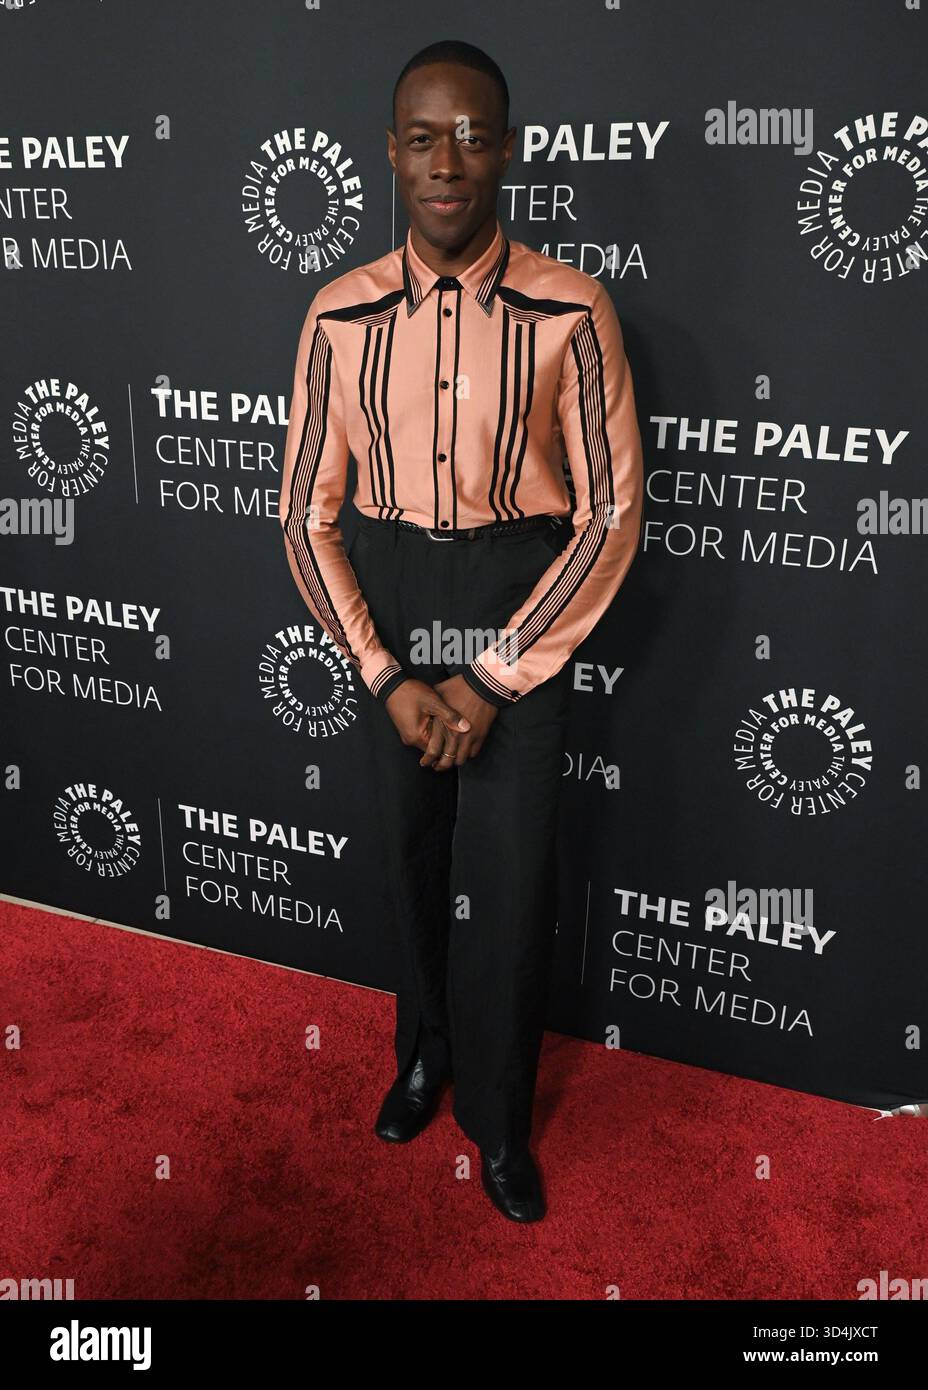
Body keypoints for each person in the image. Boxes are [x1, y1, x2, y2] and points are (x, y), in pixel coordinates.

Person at [279, 38, 644, 1222]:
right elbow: (304, 516)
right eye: (424, 136)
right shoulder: (336, 311)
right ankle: (422, 1053)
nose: (449, 161)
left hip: (518, 605)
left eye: (474, 135)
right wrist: (385, 674)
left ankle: (496, 1115)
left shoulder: (572, 308)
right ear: (390, 154)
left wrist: (488, 678)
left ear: (509, 149)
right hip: (385, 589)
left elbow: (607, 516)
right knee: (408, 861)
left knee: (512, 873)